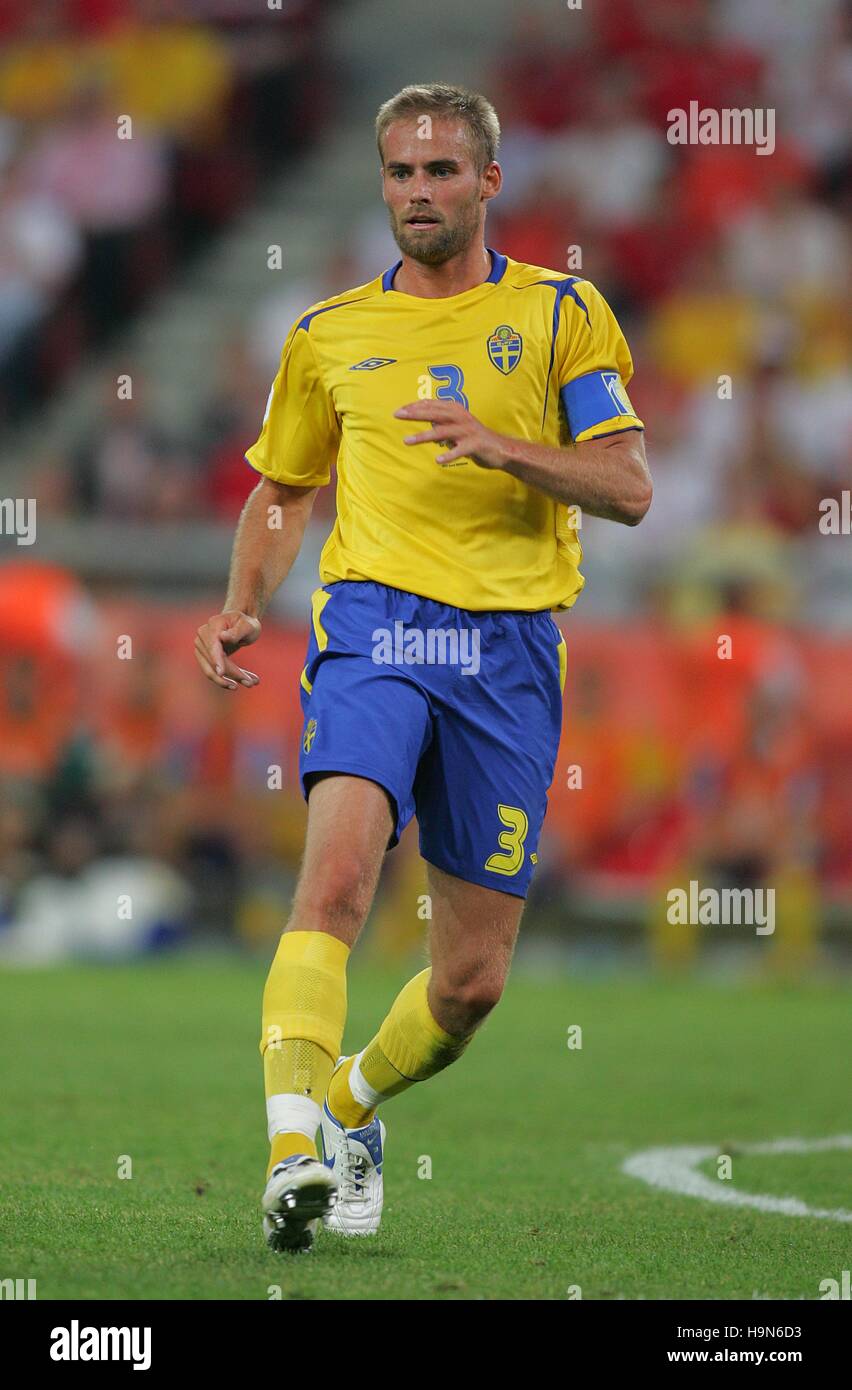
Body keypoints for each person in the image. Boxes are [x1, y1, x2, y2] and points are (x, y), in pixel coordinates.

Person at [194, 82, 652, 1253]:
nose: (418, 193)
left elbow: (629, 487)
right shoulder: (329, 331)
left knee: (470, 987)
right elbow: (282, 489)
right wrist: (245, 600)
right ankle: (291, 1145)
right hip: (377, 630)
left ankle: (349, 1108)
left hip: (509, 650)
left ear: (490, 182)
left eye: (442, 172)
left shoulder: (561, 316)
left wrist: (504, 446)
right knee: (338, 879)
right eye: (401, 173)